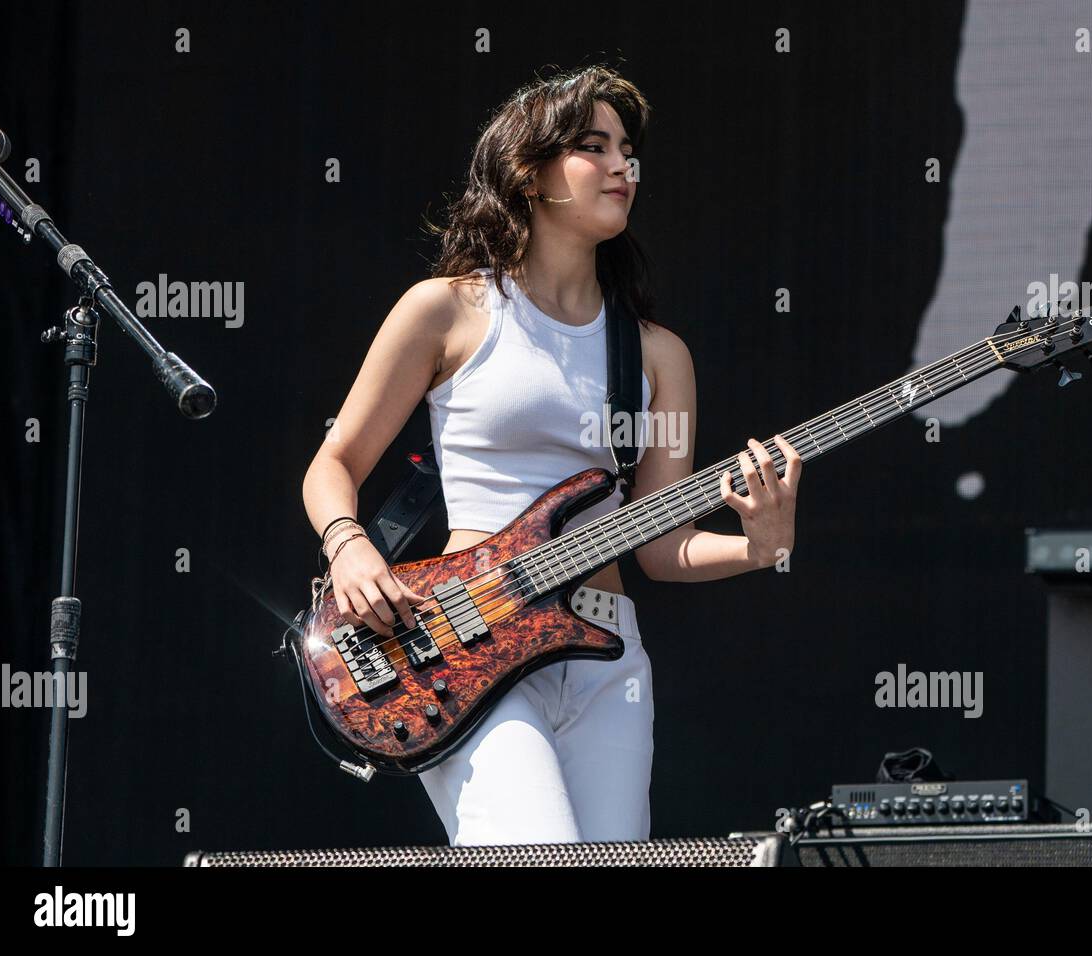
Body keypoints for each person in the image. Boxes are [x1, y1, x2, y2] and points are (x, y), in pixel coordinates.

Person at [301, 64, 802, 846]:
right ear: (528, 174)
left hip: (608, 661)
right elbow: (334, 463)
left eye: (627, 150)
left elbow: (661, 544)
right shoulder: (447, 311)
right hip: (466, 641)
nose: (620, 166)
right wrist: (349, 546)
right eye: (593, 146)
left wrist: (759, 546)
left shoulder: (657, 358)